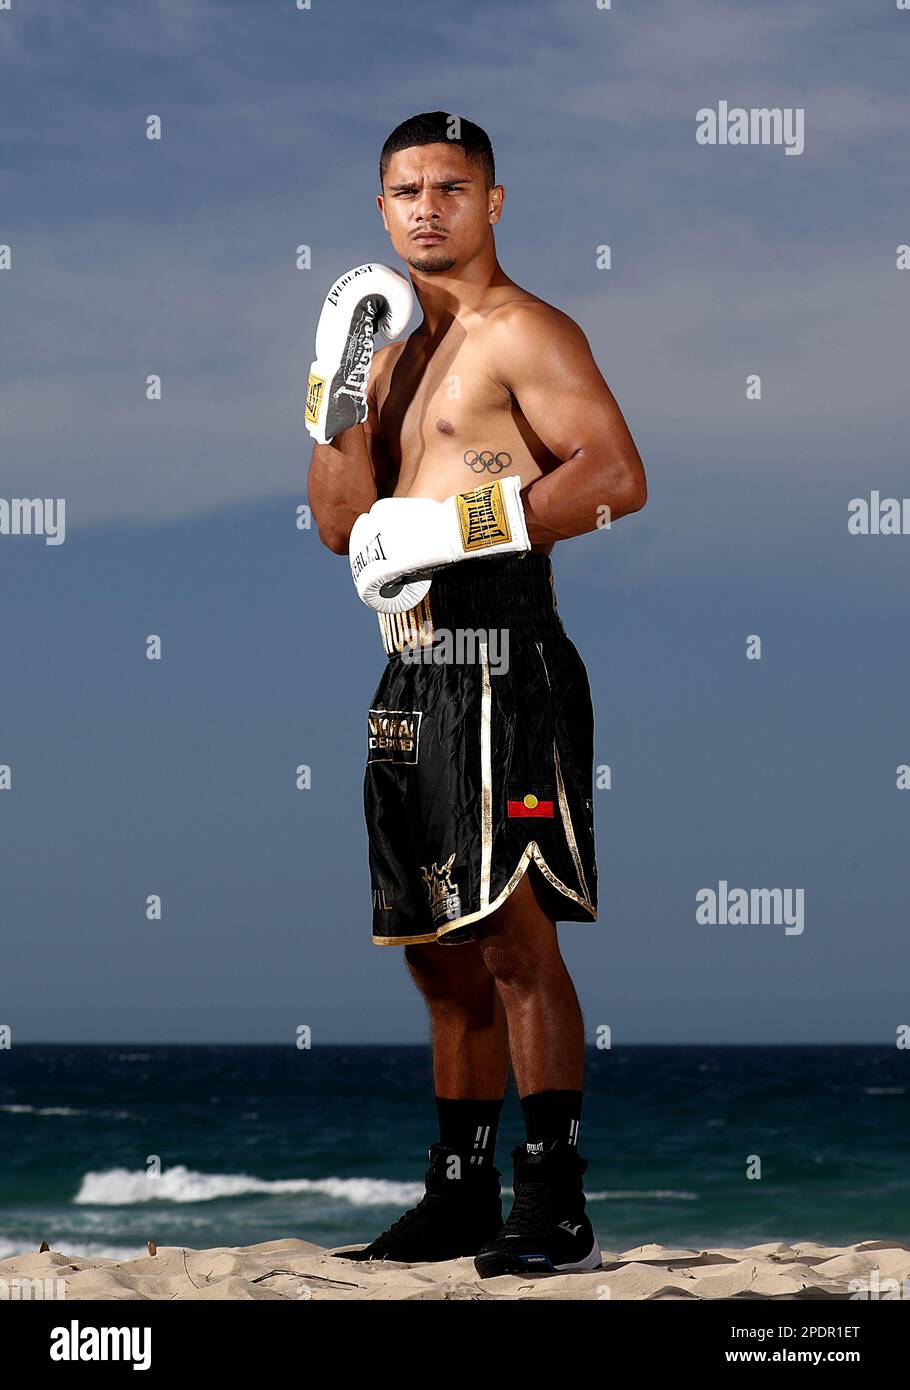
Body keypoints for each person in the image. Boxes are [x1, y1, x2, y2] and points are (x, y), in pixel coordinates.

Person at [307, 111, 646, 1277]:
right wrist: (337, 393)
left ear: (493, 202)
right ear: (381, 208)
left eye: (450, 186)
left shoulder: (526, 331)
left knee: (511, 931)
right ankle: (457, 1196)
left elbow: (615, 478)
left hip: (506, 653)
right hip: (407, 663)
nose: (425, 207)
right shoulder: (387, 356)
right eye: (403, 189)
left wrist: (461, 520)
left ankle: (551, 1199)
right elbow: (340, 526)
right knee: (433, 948)